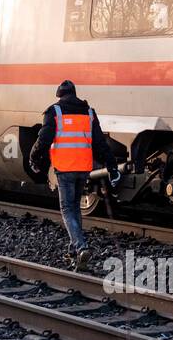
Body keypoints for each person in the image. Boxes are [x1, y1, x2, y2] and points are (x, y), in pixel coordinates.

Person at [28, 80, 119, 269]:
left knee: (67, 209)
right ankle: (73, 253)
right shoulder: (89, 112)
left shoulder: (55, 111)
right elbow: (100, 143)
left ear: (59, 95)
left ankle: (81, 247)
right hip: (83, 169)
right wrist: (112, 166)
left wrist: (34, 159)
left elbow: (43, 138)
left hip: (65, 168)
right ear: (75, 94)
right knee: (75, 209)